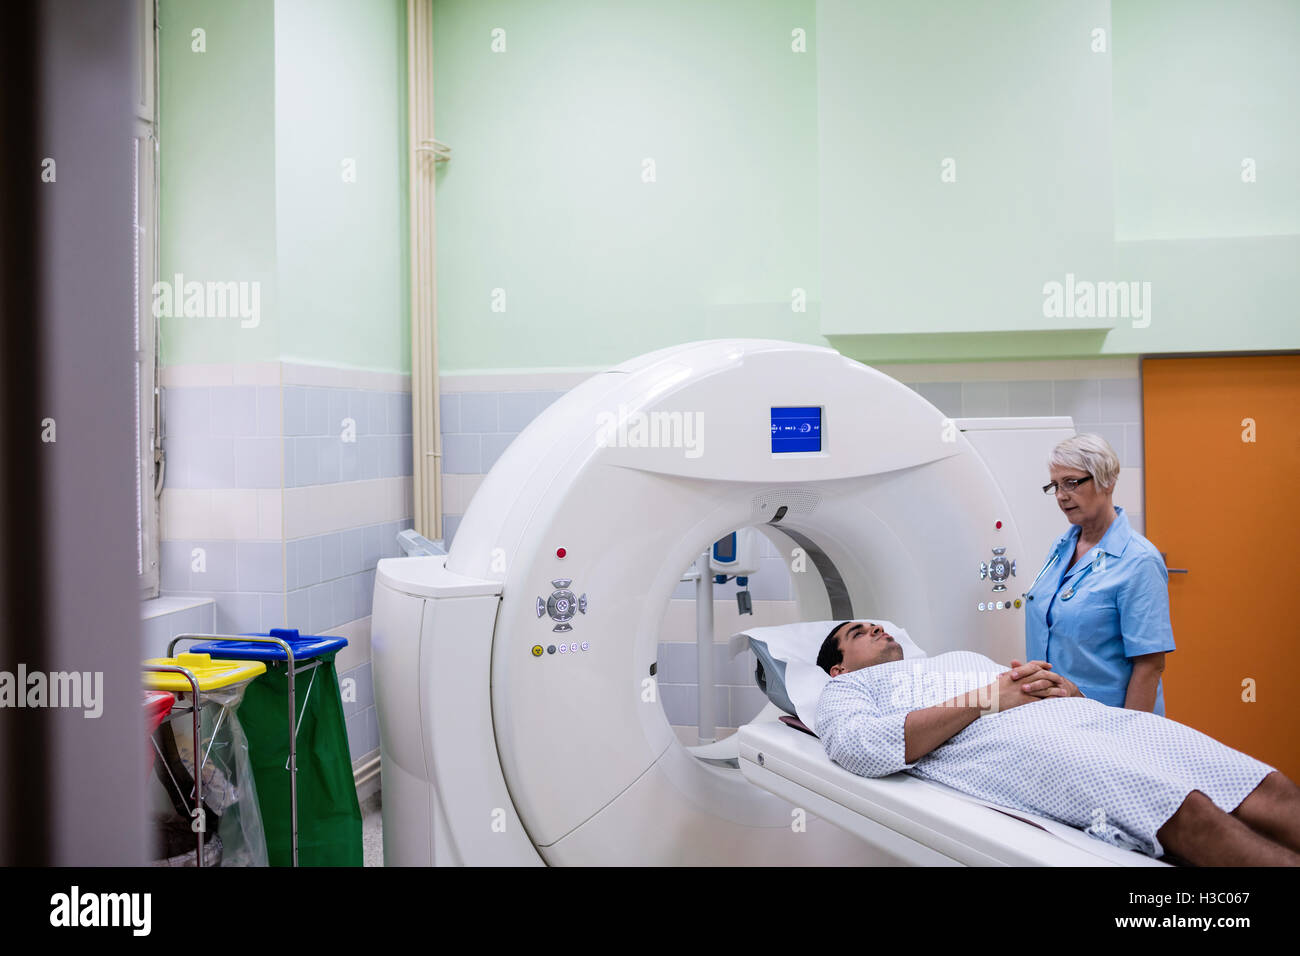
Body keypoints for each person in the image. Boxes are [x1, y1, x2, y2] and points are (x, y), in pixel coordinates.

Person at [815, 621, 1300, 866]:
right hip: (1021, 745)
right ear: (839, 666)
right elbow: (862, 748)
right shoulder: (848, 690)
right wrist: (989, 698)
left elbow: (1015, 688)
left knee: (1257, 781)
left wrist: (1062, 688)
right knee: (1185, 806)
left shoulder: (954, 656)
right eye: (858, 632)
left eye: (877, 624)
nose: (876, 628)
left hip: (1089, 717)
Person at [1024, 433, 1174, 714]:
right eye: (1055, 485)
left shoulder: (1138, 561)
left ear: (1106, 480)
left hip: (1108, 722)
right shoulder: (1062, 547)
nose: (1060, 495)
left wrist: (1127, 739)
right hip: (1052, 716)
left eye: (1071, 483)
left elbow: (1150, 665)